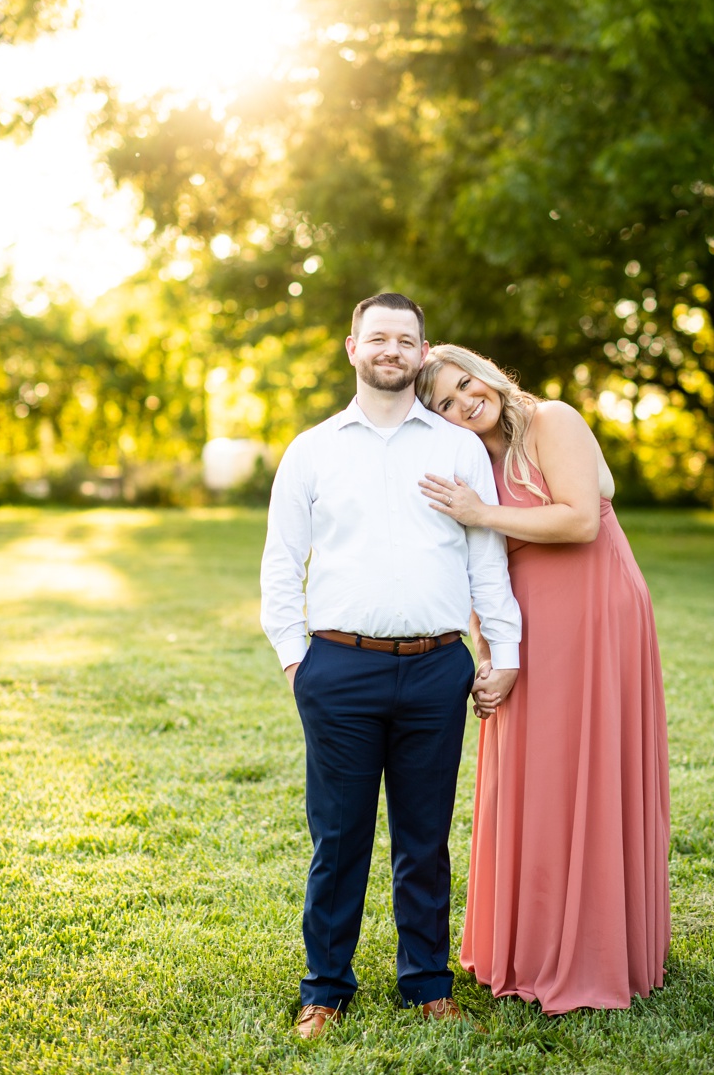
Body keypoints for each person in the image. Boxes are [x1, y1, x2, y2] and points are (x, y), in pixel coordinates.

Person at [259, 293, 522, 1038]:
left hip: (438, 667)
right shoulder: (312, 449)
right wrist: (295, 662)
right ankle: (325, 988)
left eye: (405, 339)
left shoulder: (457, 447)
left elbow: (486, 558)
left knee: (423, 837)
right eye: (378, 337)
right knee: (338, 838)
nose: (391, 349)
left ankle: (426, 983)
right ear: (353, 347)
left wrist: (505, 649)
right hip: (338, 668)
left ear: (422, 350)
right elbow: (280, 565)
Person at [412, 344, 670, 1013]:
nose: (465, 400)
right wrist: (491, 652)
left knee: (590, 767)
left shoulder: (550, 420)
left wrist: (483, 512)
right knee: (532, 775)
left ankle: (598, 946)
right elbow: (472, 562)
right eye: (444, 402)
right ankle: (524, 943)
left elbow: (581, 518)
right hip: (522, 624)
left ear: (487, 374)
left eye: (466, 383)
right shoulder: (469, 459)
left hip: (594, 609)